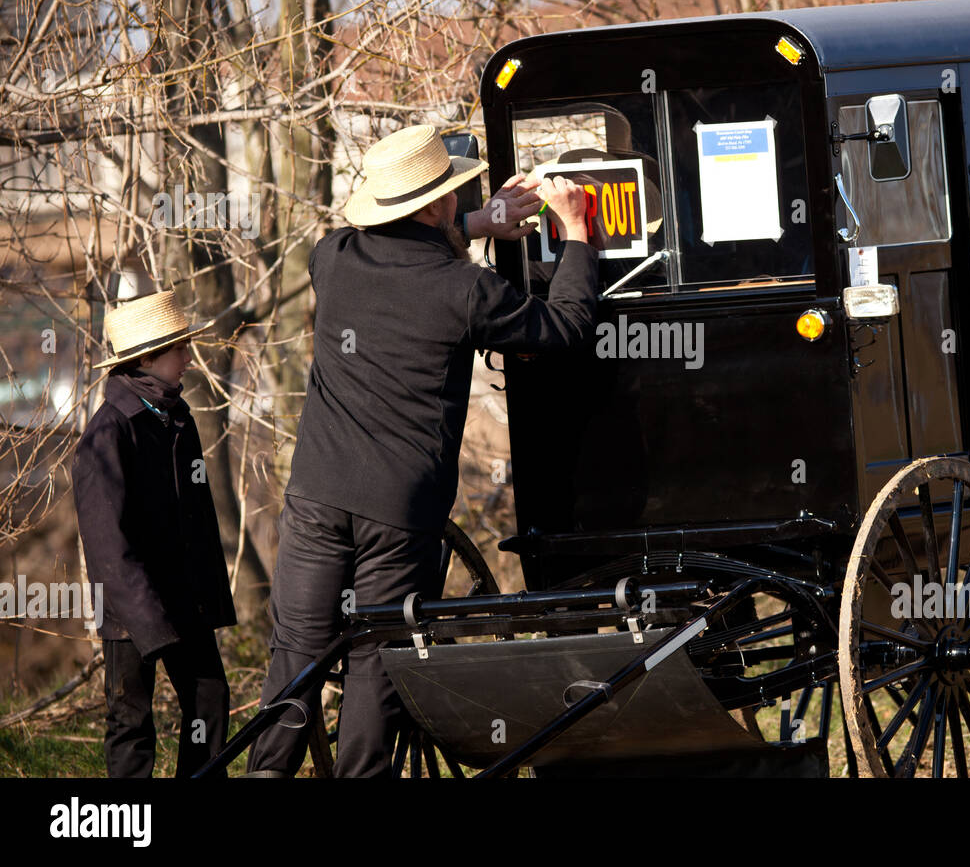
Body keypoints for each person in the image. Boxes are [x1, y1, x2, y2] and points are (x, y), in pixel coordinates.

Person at [247, 124, 596, 776]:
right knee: (376, 656)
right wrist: (575, 235)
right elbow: (568, 327)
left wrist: (480, 221)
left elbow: (412, 243)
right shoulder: (465, 291)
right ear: (438, 205)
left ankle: (266, 772)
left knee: (297, 651)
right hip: (396, 509)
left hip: (317, 492)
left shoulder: (332, 257)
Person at [71, 289, 236, 777]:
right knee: (131, 721)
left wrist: (205, 603)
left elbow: (197, 522)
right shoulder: (106, 436)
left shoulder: (179, 418)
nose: (188, 357)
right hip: (129, 611)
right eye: (179, 348)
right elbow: (108, 549)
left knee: (210, 702)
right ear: (148, 357)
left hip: (185, 601)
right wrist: (149, 623)